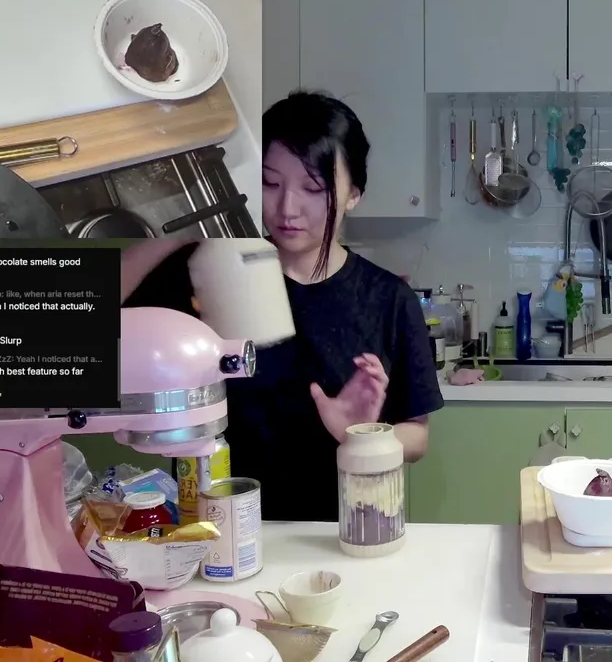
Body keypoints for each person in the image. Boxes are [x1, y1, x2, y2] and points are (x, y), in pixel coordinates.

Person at [120, 91, 443, 522]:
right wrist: (178, 233)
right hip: (216, 528)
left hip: (341, 531)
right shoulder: (211, 270)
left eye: (314, 188)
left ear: (353, 194)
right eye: (270, 184)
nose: (287, 208)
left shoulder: (389, 299)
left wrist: (361, 436)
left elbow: (417, 437)